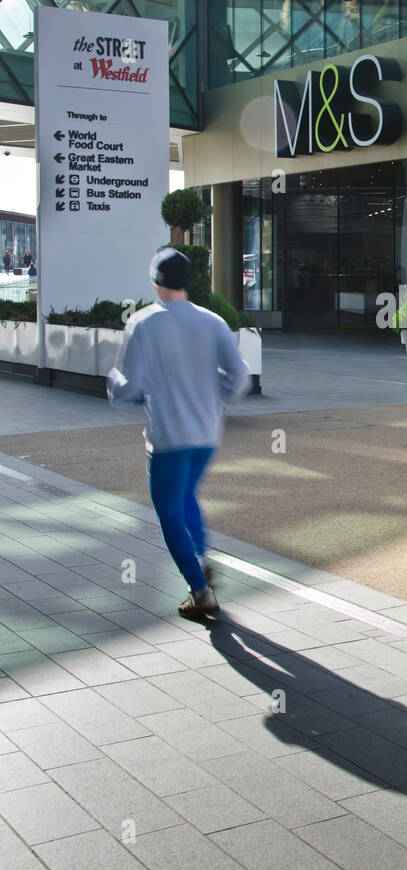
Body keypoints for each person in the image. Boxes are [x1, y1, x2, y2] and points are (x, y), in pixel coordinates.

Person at [107, 247, 251, 621]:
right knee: (187, 496)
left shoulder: (143, 323)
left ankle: (200, 591)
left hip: (168, 436)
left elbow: (130, 385)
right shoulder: (213, 322)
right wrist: (209, 394)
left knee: (168, 511)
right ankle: (201, 558)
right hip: (205, 435)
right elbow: (240, 379)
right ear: (189, 283)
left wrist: (113, 383)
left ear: (156, 283)